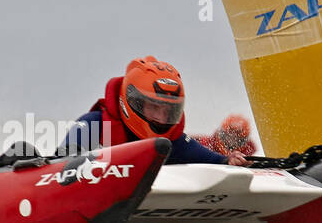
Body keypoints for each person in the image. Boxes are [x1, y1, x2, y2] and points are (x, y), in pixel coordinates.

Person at [60, 57, 251, 165]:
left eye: (169, 110)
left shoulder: (174, 140)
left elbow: (216, 161)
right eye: (154, 107)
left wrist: (231, 160)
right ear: (131, 101)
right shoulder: (94, 125)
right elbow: (58, 167)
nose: (161, 118)